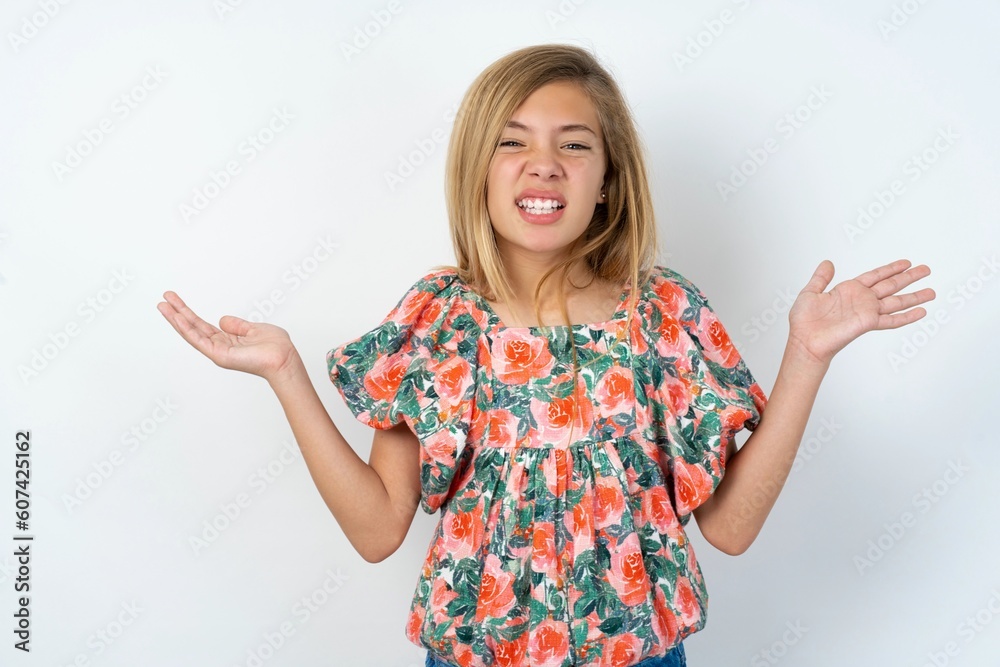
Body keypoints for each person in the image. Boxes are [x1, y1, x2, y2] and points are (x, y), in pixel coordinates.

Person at [157, 43, 935, 667]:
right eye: (512, 141)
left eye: (574, 143)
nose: (543, 162)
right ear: (479, 171)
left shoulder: (665, 315)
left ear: (608, 181)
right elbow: (376, 530)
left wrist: (806, 355)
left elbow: (729, 529)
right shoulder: (440, 321)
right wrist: (286, 374)